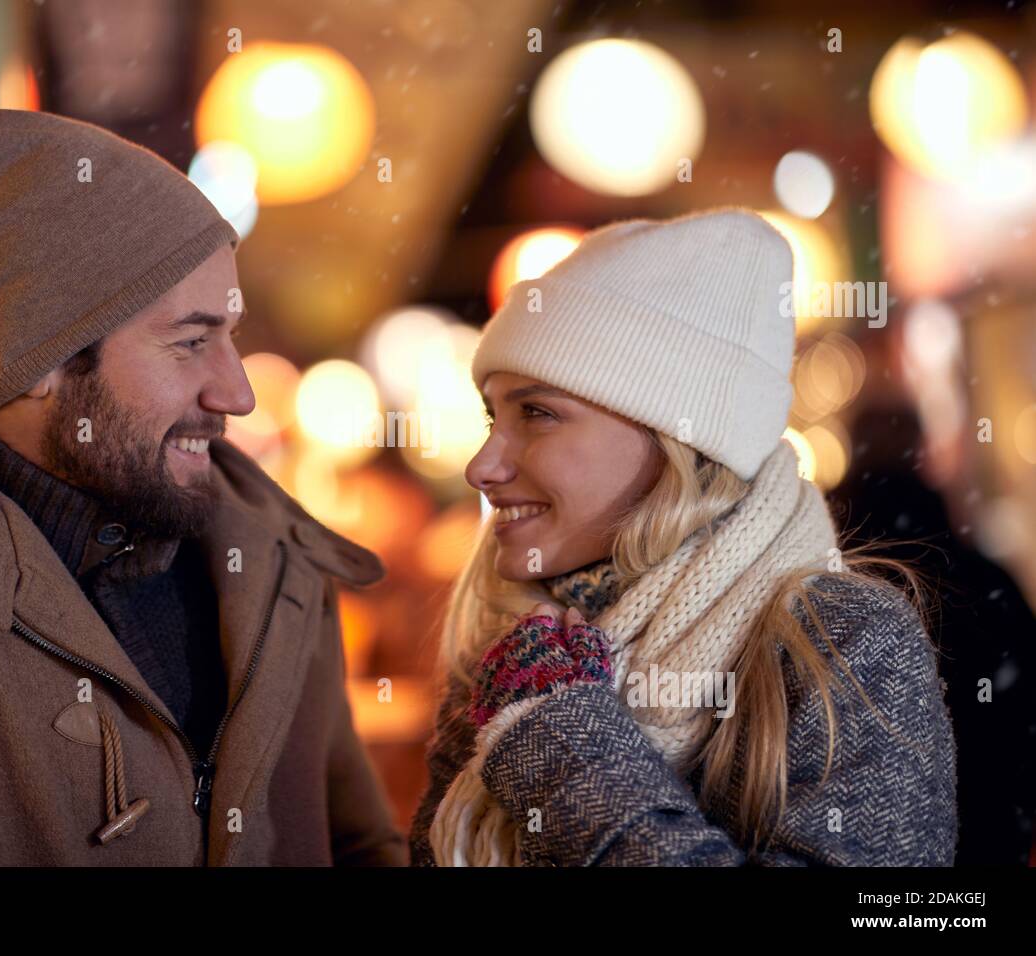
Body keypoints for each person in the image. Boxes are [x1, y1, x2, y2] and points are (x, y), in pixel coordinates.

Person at [0, 109, 405, 866]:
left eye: (231, 335)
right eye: (190, 342)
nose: (238, 393)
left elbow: (360, 847)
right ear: (37, 361)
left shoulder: (275, 557)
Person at [410, 209, 958, 866]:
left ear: (676, 437)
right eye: (491, 417)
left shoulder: (841, 638)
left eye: (536, 413)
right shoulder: (514, 652)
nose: (481, 467)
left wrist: (559, 742)